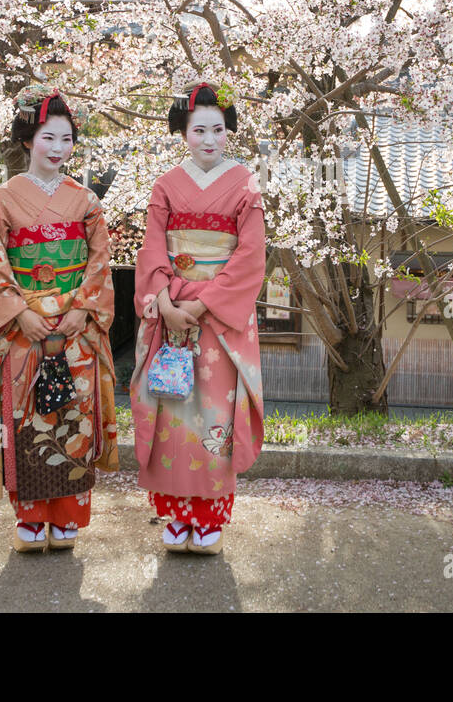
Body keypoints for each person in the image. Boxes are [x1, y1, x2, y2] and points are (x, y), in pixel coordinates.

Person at [0, 86, 118, 553]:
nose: (58, 148)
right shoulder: (1, 200)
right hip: (24, 328)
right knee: (26, 417)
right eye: (47, 138)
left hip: (74, 327)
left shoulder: (86, 202)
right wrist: (18, 312)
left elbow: (99, 262)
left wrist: (81, 309)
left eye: (66, 139)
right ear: (27, 141)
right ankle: (30, 518)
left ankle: (68, 516)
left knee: (73, 414)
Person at [130, 81, 265, 556]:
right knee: (173, 409)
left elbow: (250, 256)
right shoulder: (166, 184)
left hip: (218, 319)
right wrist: (163, 301)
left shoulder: (246, 183)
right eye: (199, 130)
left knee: (213, 415)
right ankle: (174, 514)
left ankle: (208, 519)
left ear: (229, 132)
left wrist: (203, 304)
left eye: (219, 129)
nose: (210, 139)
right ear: (183, 133)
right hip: (173, 313)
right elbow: (152, 248)